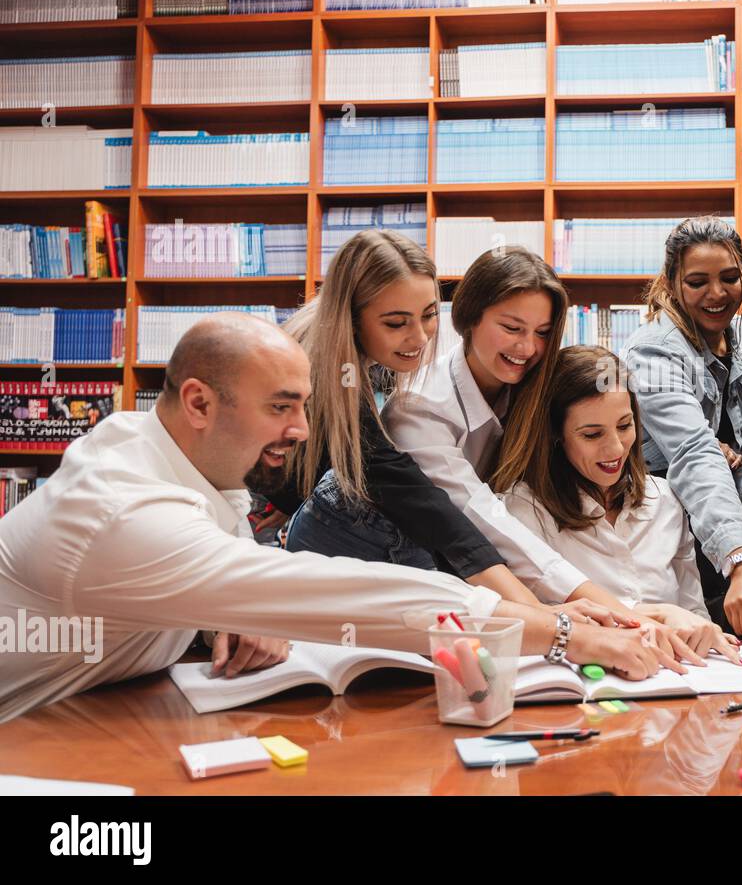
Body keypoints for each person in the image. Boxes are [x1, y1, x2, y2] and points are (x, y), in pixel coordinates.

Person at [0, 314, 686, 723]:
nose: (303, 431)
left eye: (304, 404)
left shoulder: (154, 443)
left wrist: (220, 609)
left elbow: (224, 532)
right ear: (199, 402)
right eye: (279, 407)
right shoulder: (119, 513)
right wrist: (570, 634)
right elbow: (354, 595)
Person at [260, 229, 614, 625]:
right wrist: (544, 617)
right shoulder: (349, 378)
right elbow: (427, 504)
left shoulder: (521, 386)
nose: (418, 337)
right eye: (396, 323)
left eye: (429, 315)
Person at [380, 246, 700, 661]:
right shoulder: (419, 407)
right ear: (467, 318)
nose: (528, 348)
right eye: (512, 327)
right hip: (403, 558)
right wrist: (619, 615)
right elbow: (478, 522)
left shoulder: (533, 386)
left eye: (544, 332)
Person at [496, 345, 742, 662]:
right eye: (592, 434)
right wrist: (651, 616)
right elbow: (525, 626)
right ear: (556, 434)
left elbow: (692, 614)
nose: (615, 448)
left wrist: (703, 633)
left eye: (624, 426)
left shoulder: (664, 498)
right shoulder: (523, 510)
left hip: (676, 683)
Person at [622, 216, 742, 633]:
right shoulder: (654, 350)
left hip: (713, 516)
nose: (717, 294)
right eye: (698, 281)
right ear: (671, 282)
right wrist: (740, 559)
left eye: (730, 277)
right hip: (658, 525)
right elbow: (692, 452)